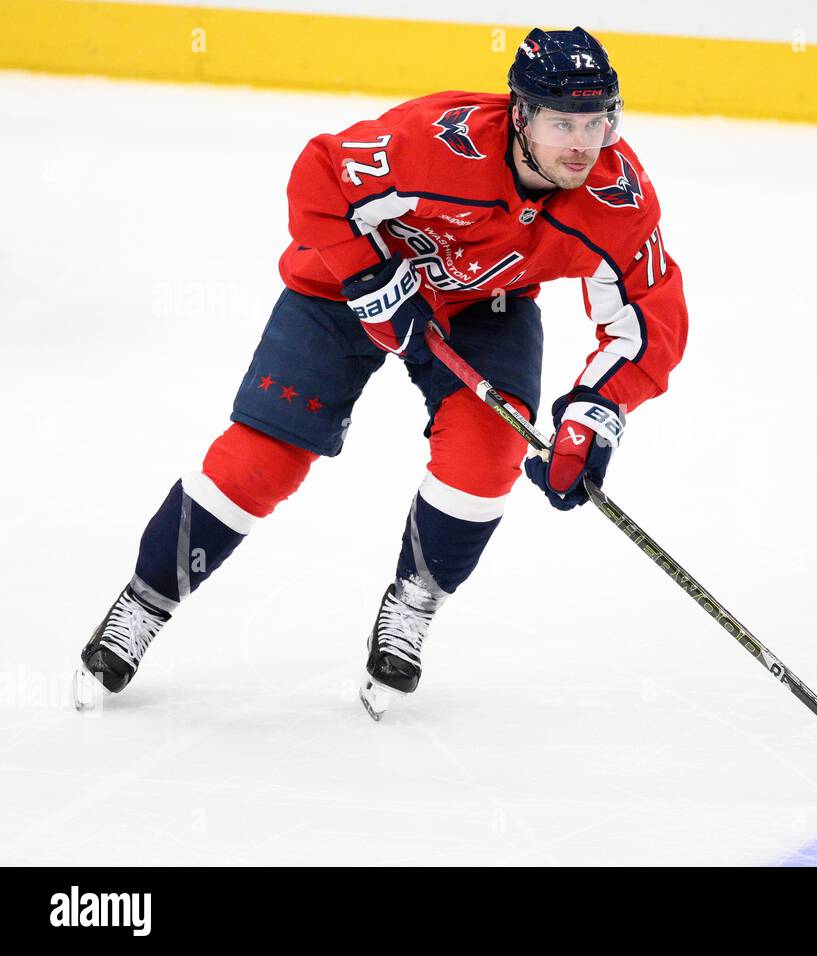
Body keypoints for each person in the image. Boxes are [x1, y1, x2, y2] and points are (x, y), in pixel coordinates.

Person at [75, 26, 688, 719]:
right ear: (519, 115)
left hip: (485, 306)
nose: (582, 143)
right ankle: (145, 601)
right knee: (262, 459)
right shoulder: (436, 142)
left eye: (596, 120)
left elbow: (649, 321)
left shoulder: (618, 195)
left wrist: (594, 412)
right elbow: (319, 175)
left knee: (487, 458)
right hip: (341, 287)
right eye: (560, 122)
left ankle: (414, 603)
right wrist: (370, 277)